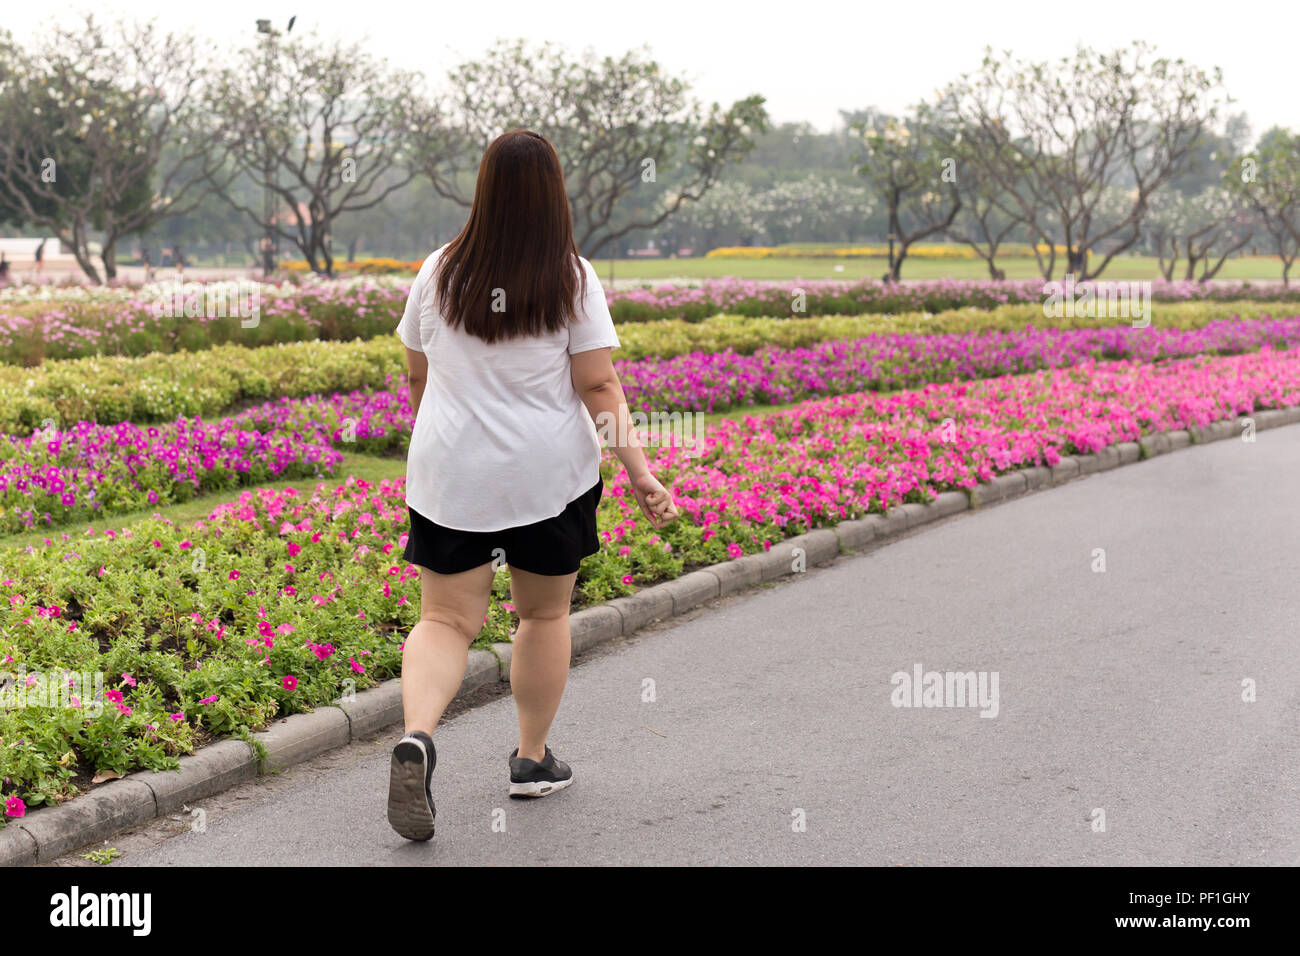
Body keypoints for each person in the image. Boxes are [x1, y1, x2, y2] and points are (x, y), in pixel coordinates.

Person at [386, 128, 679, 842]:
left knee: (445, 621)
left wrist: (445, 438)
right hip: (548, 476)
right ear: (555, 195)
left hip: (450, 472)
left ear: (482, 190)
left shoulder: (438, 272)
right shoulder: (571, 276)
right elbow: (599, 384)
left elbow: (418, 375)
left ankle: (419, 735)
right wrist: (639, 470)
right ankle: (530, 759)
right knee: (540, 617)